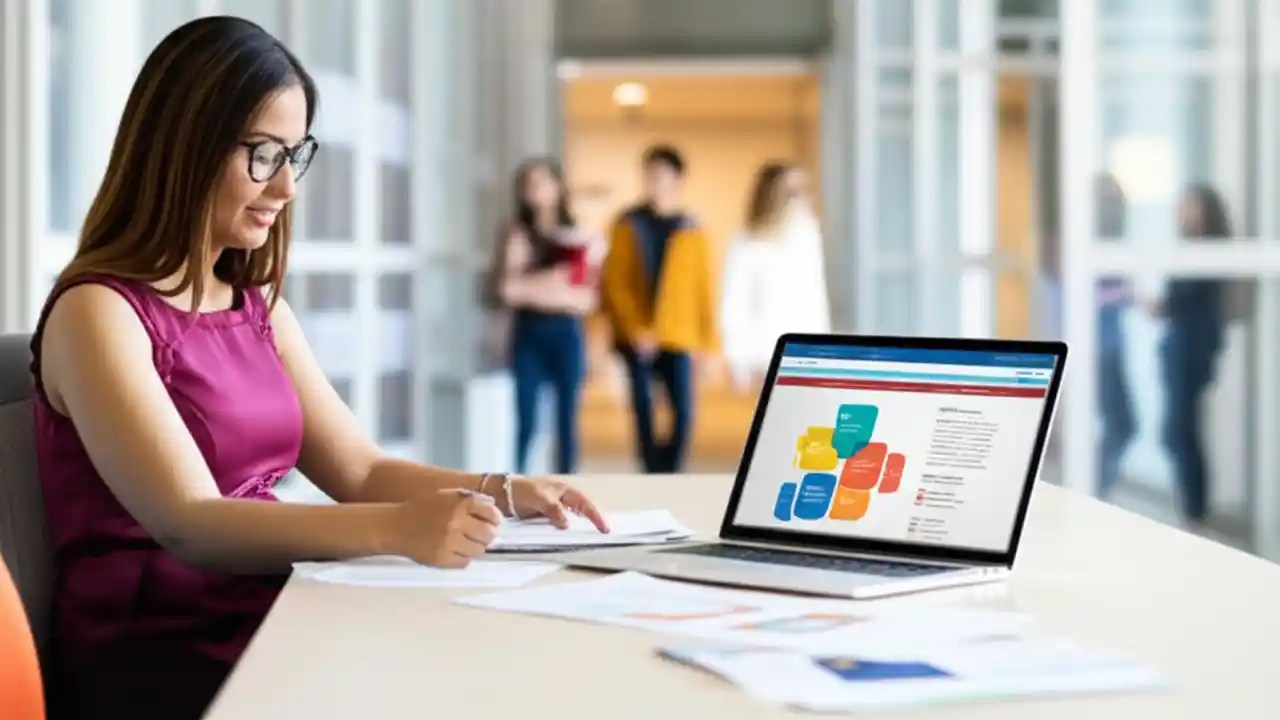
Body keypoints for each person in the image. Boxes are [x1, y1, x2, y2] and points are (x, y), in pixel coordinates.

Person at [29, 17, 607, 719]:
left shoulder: (254, 307)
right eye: (263, 155)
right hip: (160, 650)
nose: (286, 189)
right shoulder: (99, 311)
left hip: (267, 610)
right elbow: (190, 521)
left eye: (294, 156)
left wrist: (504, 490)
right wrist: (397, 528)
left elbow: (358, 472)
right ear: (186, 144)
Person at [601, 145, 716, 474]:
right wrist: (635, 329)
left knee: (683, 412)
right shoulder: (626, 223)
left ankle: (671, 470)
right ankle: (650, 471)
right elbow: (615, 282)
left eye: (663, 176)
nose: (656, 183)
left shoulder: (692, 228)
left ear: (678, 179)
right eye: (650, 175)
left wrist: (708, 345)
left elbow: (703, 289)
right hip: (635, 336)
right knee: (643, 408)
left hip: (678, 335)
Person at [493, 158, 602, 474]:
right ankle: (518, 485)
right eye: (530, 184)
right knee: (526, 420)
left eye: (543, 182)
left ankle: (570, 488)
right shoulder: (516, 233)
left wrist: (536, 287)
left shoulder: (577, 235)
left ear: (558, 187)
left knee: (567, 420)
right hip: (529, 334)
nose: (537, 191)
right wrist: (553, 281)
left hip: (566, 334)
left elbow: (586, 298)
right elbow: (507, 290)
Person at [1151, 185, 1230, 524]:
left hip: (1193, 348)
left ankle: (1195, 511)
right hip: (1177, 345)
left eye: (1191, 206)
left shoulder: (1212, 251)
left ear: (1206, 211)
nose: (1184, 212)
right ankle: (1192, 507)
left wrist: (1166, 306)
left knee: (1180, 430)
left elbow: (1189, 298)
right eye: (1182, 205)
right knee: (1177, 431)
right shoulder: (1188, 248)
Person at [719, 162, 830, 394]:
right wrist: (737, 360)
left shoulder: (808, 235)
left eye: (802, 191)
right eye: (791, 193)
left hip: (806, 356)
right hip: (763, 356)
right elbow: (733, 304)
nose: (799, 200)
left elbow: (816, 299)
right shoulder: (747, 243)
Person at [1095, 173, 1137, 498]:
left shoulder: (1113, 244)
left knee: (1122, 424)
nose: (1113, 208)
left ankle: (1098, 488)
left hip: (1112, 346)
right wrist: (1126, 294)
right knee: (1122, 423)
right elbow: (1083, 297)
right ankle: (1097, 489)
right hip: (1097, 349)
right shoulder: (1088, 246)